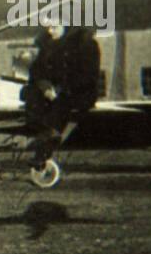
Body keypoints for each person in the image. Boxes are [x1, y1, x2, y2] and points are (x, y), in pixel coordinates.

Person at [20, 17, 101, 170]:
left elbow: (88, 76)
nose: (50, 31)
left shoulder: (86, 44)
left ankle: (44, 146)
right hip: (52, 92)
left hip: (78, 92)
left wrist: (59, 90)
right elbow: (36, 72)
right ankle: (39, 134)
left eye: (55, 27)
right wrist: (45, 87)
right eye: (48, 28)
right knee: (32, 95)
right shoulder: (47, 46)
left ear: (66, 25)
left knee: (62, 104)